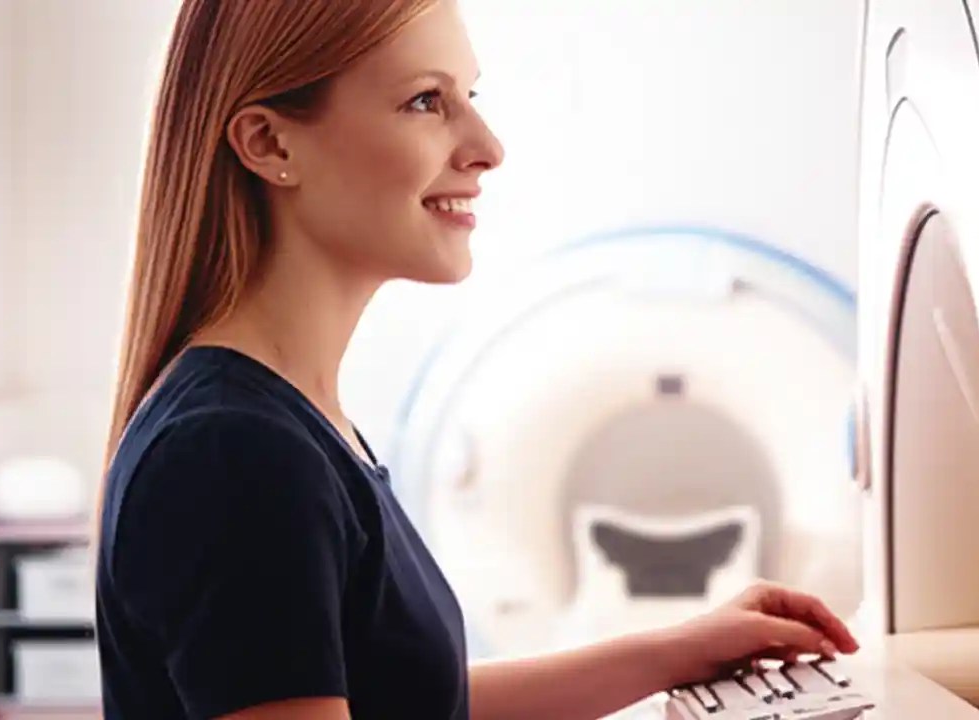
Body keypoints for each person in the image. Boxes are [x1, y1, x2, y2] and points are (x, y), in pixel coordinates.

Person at [94, 1, 860, 718]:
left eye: (469, 95)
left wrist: (676, 652)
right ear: (270, 143)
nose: (487, 149)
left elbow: (401, 701)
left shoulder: (289, 420)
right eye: (427, 101)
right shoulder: (238, 453)